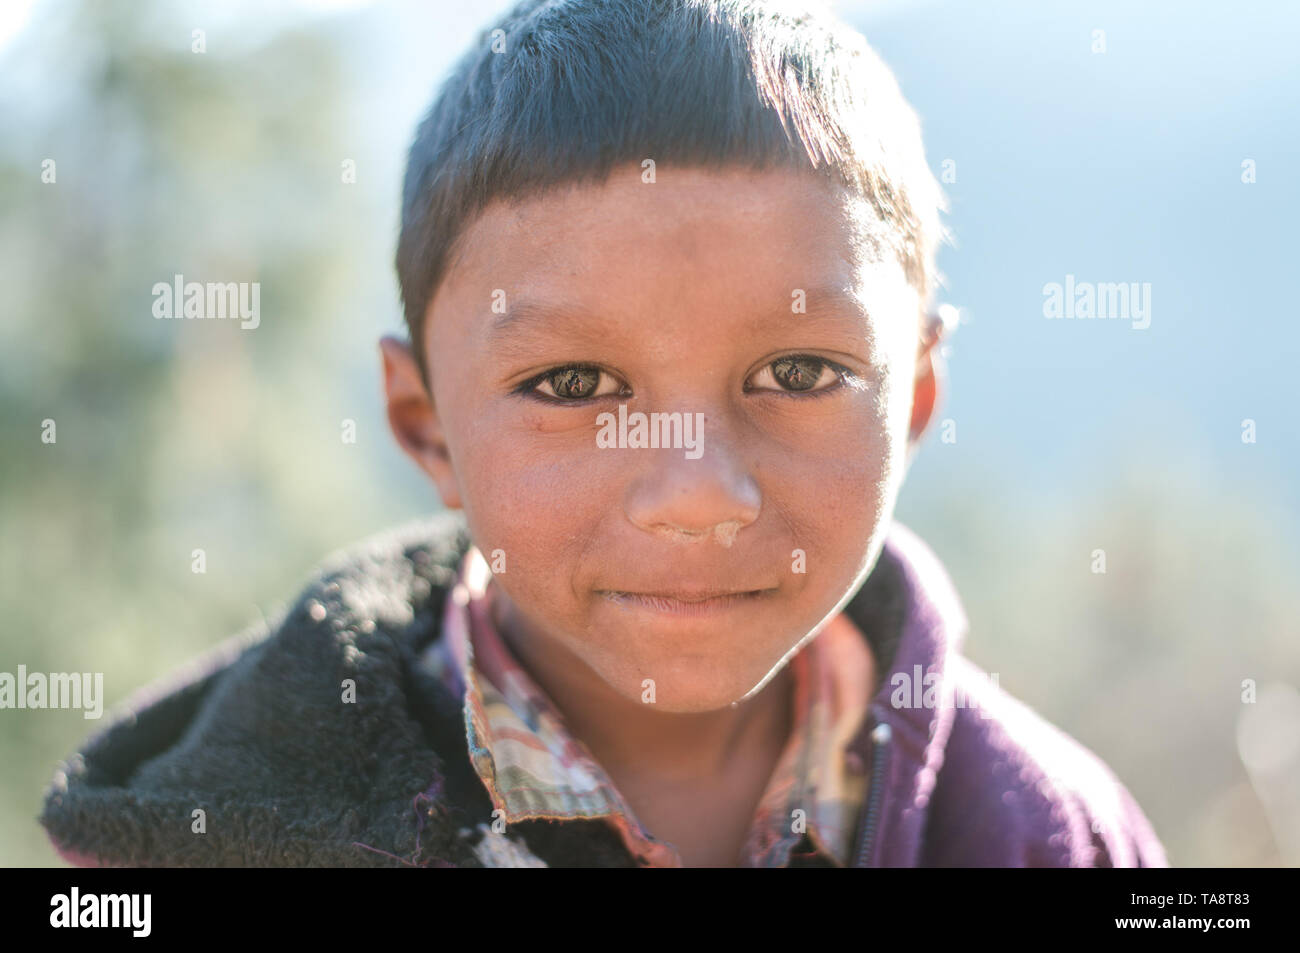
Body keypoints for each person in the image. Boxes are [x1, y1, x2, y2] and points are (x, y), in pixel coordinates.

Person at [39, 0, 1167, 867]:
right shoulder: (208, 833)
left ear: (914, 399)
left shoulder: (1043, 831)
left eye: (798, 371)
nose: (695, 493)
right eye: (574, 382)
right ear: (426, 428)